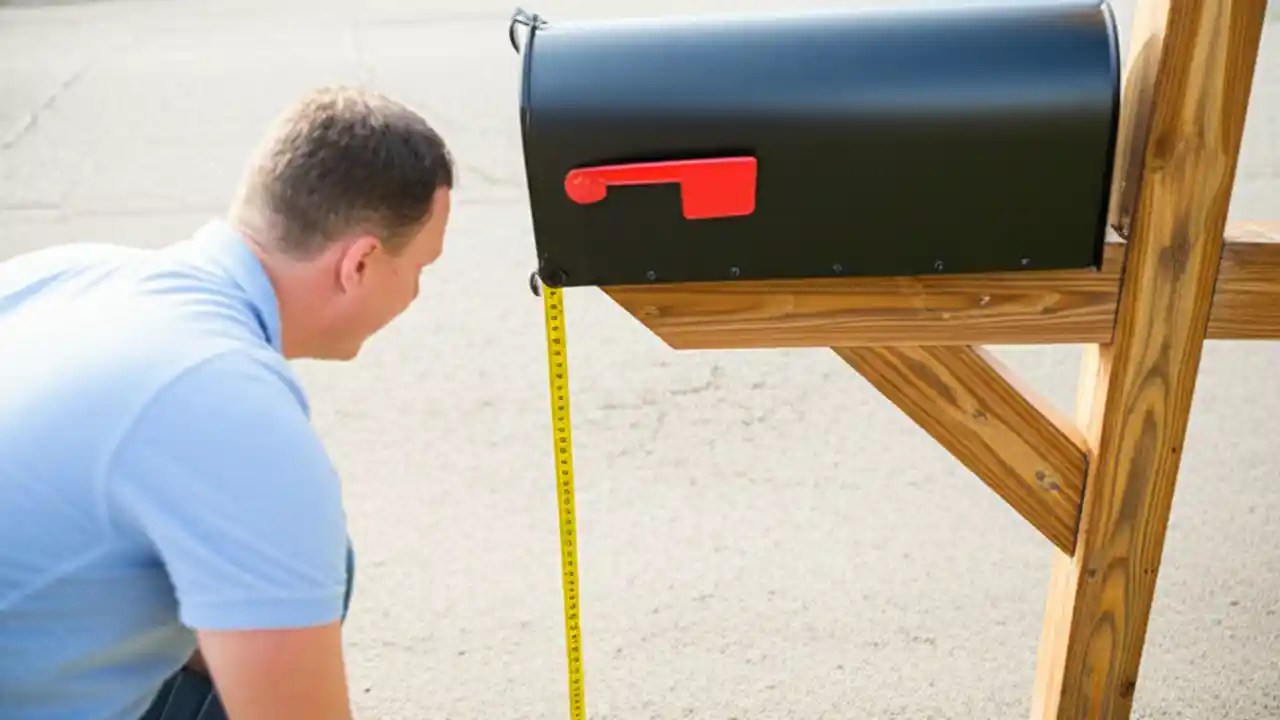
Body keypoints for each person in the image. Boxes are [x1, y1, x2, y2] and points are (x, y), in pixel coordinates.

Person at [0, 86, 454, 719]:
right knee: (300, 550)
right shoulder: (228, 406)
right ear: (361, 263)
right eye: (420, 269)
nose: (415, 296)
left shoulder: (60, 275)